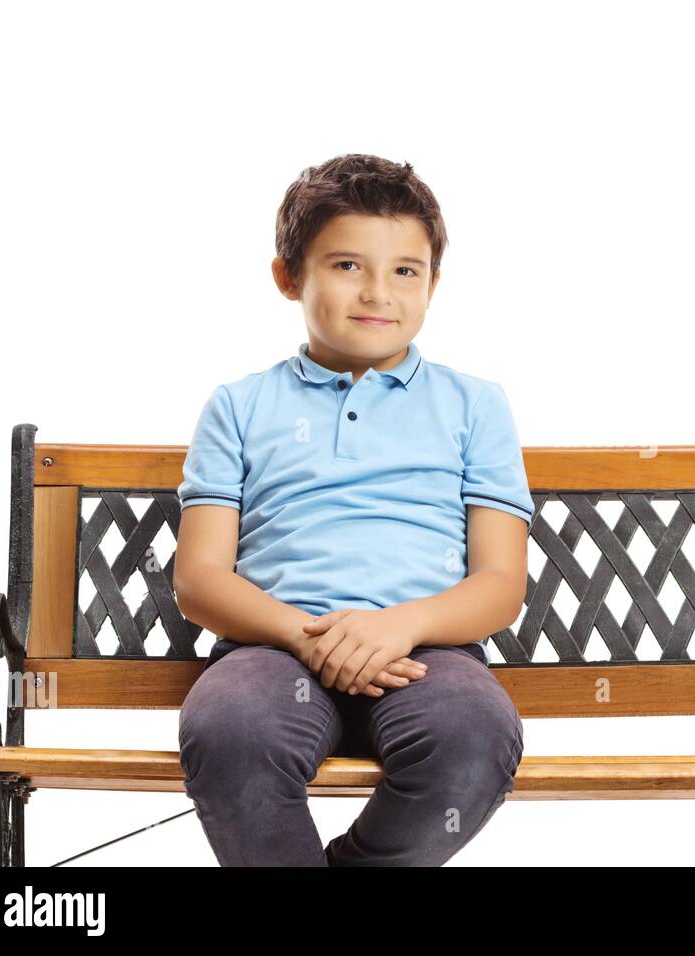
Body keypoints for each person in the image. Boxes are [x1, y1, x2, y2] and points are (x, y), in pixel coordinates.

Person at [174, 153, 532, 866]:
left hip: (426, 652)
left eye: (406, 270)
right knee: (230, 731)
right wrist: (305, 637)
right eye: (346, 266)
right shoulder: (240, 406)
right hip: (272, 648)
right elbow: (200, 579)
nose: (378, 292)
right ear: (288, 277)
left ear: (433, 283)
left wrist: (400, 626)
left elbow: (500, 583)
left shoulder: (475, 405)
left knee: (473, 738)